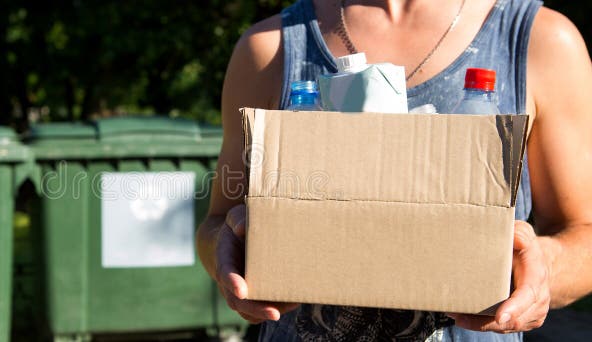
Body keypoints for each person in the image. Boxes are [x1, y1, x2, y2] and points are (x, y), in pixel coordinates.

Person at [196, 0, 592, 340]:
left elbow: (583, 234)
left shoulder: (539, 42)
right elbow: (218, 222)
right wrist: (227, 253)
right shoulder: (272, 49)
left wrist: (542, 269)